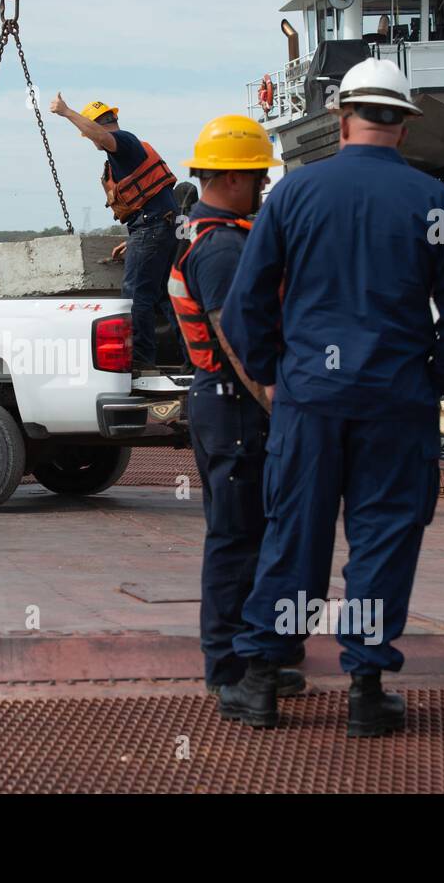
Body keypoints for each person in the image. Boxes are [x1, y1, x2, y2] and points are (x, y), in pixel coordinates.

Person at [218, 59, 444, 734]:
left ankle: (259, 681)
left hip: (310, 399)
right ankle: (365, 690)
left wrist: (274, 375)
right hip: (396, 402)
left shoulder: (291, 195)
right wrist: (429, 380)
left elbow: (244, 307)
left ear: (342, 120)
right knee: (384, 537)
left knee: (294, 534)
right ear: (404, 127)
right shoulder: (439, 204)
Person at [167, 115, 305, 708]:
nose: (263, 188)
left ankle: (251, 658)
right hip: (235, 406)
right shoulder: (222, 247)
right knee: (235, 538)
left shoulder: (221, 235)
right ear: (231, 178)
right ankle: (227, 668)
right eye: (256, 177)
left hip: (224, 404)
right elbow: (236, 341)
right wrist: (277, 404)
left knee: (250, 534)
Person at [50, 95, 180, 371]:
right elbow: (154, 202)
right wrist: (134, 239)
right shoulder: (122, 156)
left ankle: (142, 361)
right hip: (158, 228)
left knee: (135, 295)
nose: (92, 141)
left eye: (89, 133)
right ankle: (191, 357)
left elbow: (104, 137)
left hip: (153, 228)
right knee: (164, 296)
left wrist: (66, 112)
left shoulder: (125, 143)